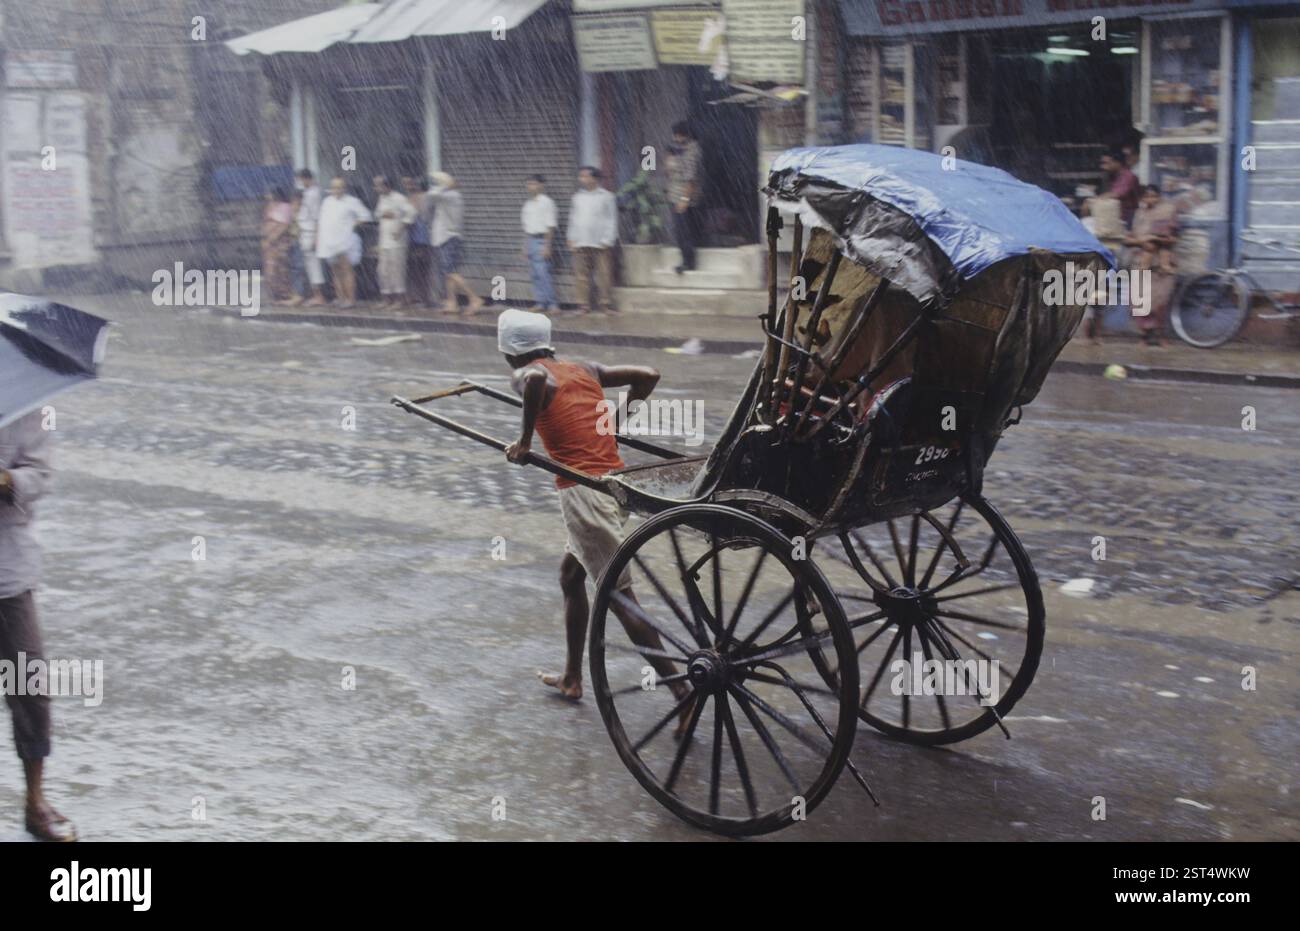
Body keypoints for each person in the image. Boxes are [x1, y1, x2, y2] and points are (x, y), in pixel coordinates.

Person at [497, 309, 689, 723]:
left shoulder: (526, 373)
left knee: (618, 596)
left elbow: (532, 380)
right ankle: (571, 677)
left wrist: (525, 441)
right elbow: (648, 374)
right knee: (571, 576)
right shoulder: (583, 368)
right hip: (615, 485)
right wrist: (614, 422)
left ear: (510, 353)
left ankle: (681, 691)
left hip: (584, 495)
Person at [0, 411, 75, 841]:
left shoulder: (27, 406)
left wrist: (6, 481)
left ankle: (35, 800)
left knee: (29, 687)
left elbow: (41, 474)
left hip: (8, 572)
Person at [1124, 184, 1180, 347]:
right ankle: (1144, 336)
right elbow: (1127, 239)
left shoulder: (1168, 212)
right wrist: (1142, 241)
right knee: (1140, 302)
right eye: (1147, 197)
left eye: (1154, 196)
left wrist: (1160, 240)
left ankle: (1160, 336)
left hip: (1162, 263)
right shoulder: (1136, 214)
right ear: (1142, 198)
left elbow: (1174, 238)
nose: (1150, 200)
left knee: (1161, 302)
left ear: (1159, 197)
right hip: (1141, 261)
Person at [428, 171, 483, 315]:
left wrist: (444, 183)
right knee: (449, 273)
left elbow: (432, 195)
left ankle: (474, 298)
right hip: (445, 238)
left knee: (450, 272)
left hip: (449, 239)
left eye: (437, 182)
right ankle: (452, 302)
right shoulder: (449, 196)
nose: (435, 185)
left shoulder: (452, 196)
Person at [567, 166, 618, 315]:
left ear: (595, 178)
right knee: (581, 275)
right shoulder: (577, 197)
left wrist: (607, 239)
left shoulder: (607, 196)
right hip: (580, 242)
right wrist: (571, 238)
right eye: (581, 176)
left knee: (603, 274)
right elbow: (573, 219)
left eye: (585, 176)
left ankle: (605, 304)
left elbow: (612, 219)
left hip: (600, 242)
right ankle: (583, 305)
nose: (582, 179)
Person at [316, 176, 371, 309]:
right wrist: (318, 238)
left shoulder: (352, 201)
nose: (336, 189)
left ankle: (350, 299)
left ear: (344, 188)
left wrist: (352, 225)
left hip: (345, 240)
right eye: (334, 187)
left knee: (347, 270)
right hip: (329, 240)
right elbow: (322, 220)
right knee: (335, 271)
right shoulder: (327, 201)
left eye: (339, 187)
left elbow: (366, 216)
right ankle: (340, 298)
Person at [665, 121, 704, 274]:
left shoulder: (692, 151)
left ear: (684, 134)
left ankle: (688, 262)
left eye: (677, 135)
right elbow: (669, 171)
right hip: (675, 195)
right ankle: (685, 260)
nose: (675, 138)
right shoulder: (679, 149)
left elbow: (691, 179)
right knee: (680, 231)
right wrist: (670, 158)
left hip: (684, 198)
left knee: (684, 232)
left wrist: (684, 200)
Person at [373, 174, 416, 310]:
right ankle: (387, 299)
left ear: (387, 186)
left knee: (396, 271)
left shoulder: (399, 198)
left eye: (379, 185)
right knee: (383, 271)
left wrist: (400, 228)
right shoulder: (381, 198)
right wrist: (385, 214)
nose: (376, 188)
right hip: (384, 241)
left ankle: (399, 300)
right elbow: (377, 214)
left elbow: (412, 213)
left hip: (397, 241)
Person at [521, 174, 560, 313]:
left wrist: (547, 246)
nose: (531, 186)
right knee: (534, 274)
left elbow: (551, 226)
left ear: (541, 185)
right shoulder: (528, 204)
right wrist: (525, 247)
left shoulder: (547, 202)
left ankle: (552, 304)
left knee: (543, 273)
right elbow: (526, 228)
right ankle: (540, 302)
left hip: (542, 240)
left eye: (534, 183)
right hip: (531, 240)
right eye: (529, 184)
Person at [289, 169, 326, 307]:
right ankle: (316, 295)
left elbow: (316, 217)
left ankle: (319, 296)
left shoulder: (313, 194)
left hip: (310, 232)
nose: (300, 183)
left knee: (313, 265)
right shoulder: (309, 193)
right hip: (305, 231)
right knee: (310, 266)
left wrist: (316, 237)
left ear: (306, 178)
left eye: (301, 180)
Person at [403, 176, 435, 307]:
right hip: (422, 238)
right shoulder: (429, 198)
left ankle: (422, 298)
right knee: (422, 270)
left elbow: (413, 215)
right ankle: (422, 297)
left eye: (414, 185)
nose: (412, 187)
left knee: (418, 270)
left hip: (418, 239)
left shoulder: (417, 198)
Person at [260, 187, 295, 303]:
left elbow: (284, 225)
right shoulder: (270, 207)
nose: (267, 196)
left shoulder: (285, 207)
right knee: (270, 269)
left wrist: (272, 238)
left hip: (279, 243)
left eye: (269, 194)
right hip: (269, 243)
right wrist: (266, 238)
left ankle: (283, 294)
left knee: (281, 268)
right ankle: (273, 294)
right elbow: (266, 223)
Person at [1099, 149, 1140, 228]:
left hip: (1128, 218)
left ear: (1117, 163)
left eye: (1106, 163)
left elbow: (1116, 194)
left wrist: (1095, 200)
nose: (1103, 167)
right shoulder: (1111, 176)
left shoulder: (1128, 176)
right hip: (1115, 216)